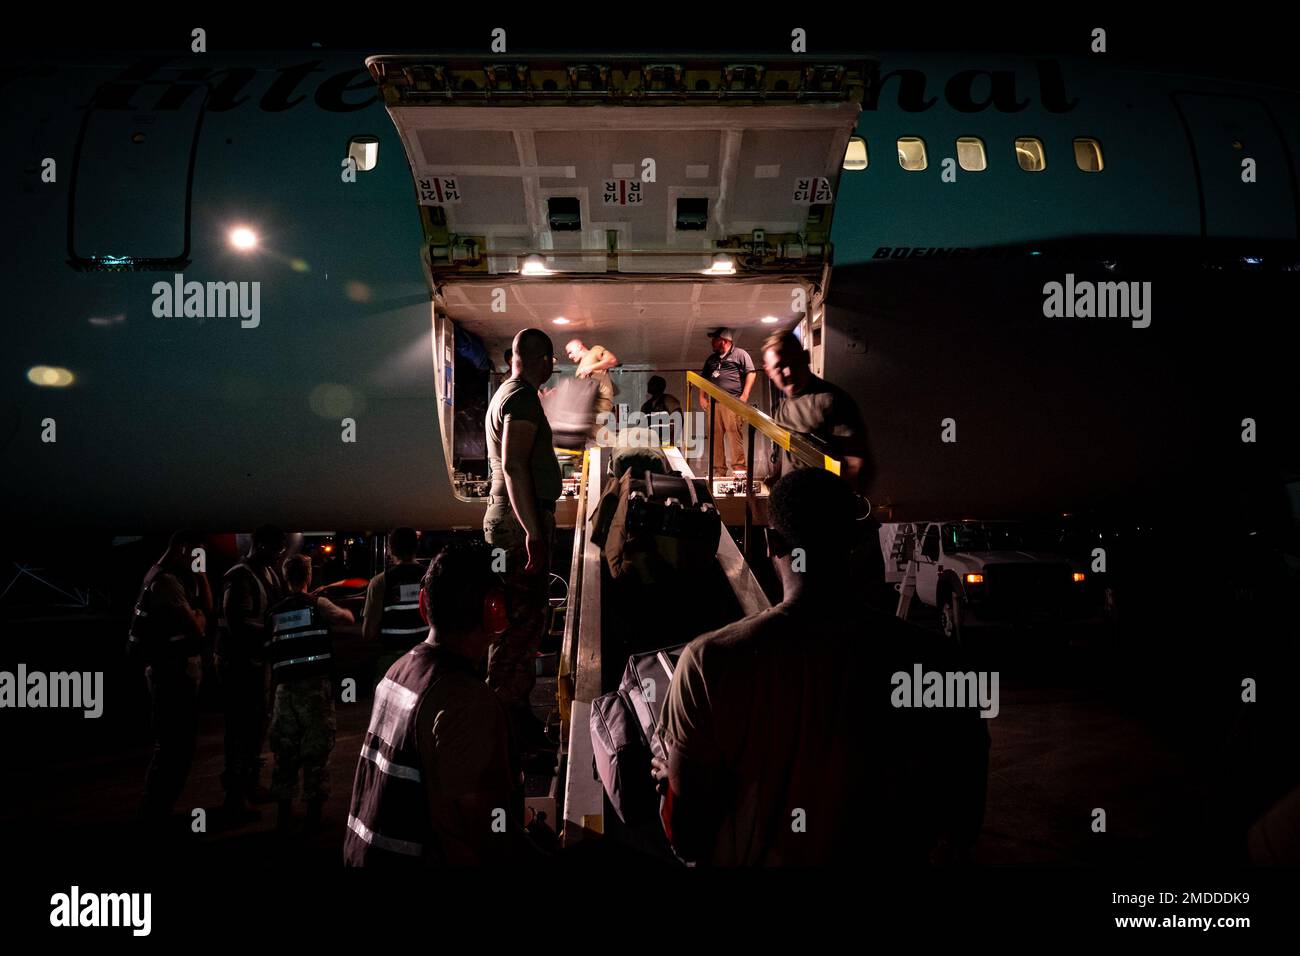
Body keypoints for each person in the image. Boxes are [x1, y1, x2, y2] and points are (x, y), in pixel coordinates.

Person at [653, 468, 989, 865]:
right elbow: (963, 822)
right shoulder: (939, 662)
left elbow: (689, 837)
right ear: (856, 542)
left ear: (770, 543)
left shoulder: (708, 664)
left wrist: (667, 781)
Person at [343, 544, 524, 866]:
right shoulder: (465, 700)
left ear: (423, 603)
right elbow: (484, 831)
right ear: (495, 610)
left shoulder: (398, 671)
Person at [762, 329, 886, 606]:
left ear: (805, 357)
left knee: (838, 606)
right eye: (777, 367)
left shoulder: (831, 400)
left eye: (790, 362)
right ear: (768, 371)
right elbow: (786, 460)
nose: (786, 372)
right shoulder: (782, 410)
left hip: (827, 524)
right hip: (795, 526)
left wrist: (843, 515)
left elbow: (857, 461)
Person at [484, 329, 562, 757]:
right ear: (544, 360)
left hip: (508, 523)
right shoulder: (523, 398)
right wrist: (533, 531)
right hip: (517, 526)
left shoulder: (504, 394)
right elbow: (514, 466)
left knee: (512, 624)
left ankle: (511, 721)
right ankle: (507, 727)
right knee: (522, 624)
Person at [127, 529, 210, 827]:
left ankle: (156, 813)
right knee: (174, 749)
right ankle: (153, 816)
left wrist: (199, 578)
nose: (196, 561)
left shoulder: (154, 574)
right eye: (195, 554)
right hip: (172, 675)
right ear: (182, 548)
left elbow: (204, 612)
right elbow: (200, 625)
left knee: (172, 747)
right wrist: (198, 611)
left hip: (165, 671)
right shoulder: (168, 584)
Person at [264, 554, 353, 832]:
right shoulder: (318, 605)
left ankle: (284, 814)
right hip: (315, 690)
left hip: (284, 690)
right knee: (316, 752)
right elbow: (347, 618)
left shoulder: (274, 611)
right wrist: (320, 601)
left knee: (285, 753)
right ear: (309, 576)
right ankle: (314, 814)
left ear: (284, 576)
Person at [217, 524, 287, 821]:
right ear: (260, 547)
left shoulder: (267, 573)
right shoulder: (239, 577)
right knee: (240, 728)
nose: (279, 555)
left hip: (257, 661)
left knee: (256, 724)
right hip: (239, 664)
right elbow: (237, 623)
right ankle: (234, 798)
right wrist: (274, 633)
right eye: (276, 549)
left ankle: (249, 784)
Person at [363, 528, 426, 680]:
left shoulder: (380, 582)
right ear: (416, 547)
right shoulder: (430, 578)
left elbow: (368, 633)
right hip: (424, 660)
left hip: (392, 663)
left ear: (390, 550)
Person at [699, 327, 756, 474]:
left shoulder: (740, 354)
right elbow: (704, 378)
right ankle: (719, 470)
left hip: (732, 401)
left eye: (715, 339)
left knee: (733, 433)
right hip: (714, 403)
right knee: (715, 436)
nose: (712, 342)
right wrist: (702, 397)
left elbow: (751, 373)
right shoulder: (711, 359)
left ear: (724, 341)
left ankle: (739, 470)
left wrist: (744, 396)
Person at [564, 338, 619, 425]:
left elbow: (612, 360)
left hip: (601, 401)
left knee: (592, 430)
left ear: (579, 346)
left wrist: (590, 368)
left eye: (570, 352)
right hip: (588, 404)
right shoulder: (578, 370)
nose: (569, 356)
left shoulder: (594, 350)